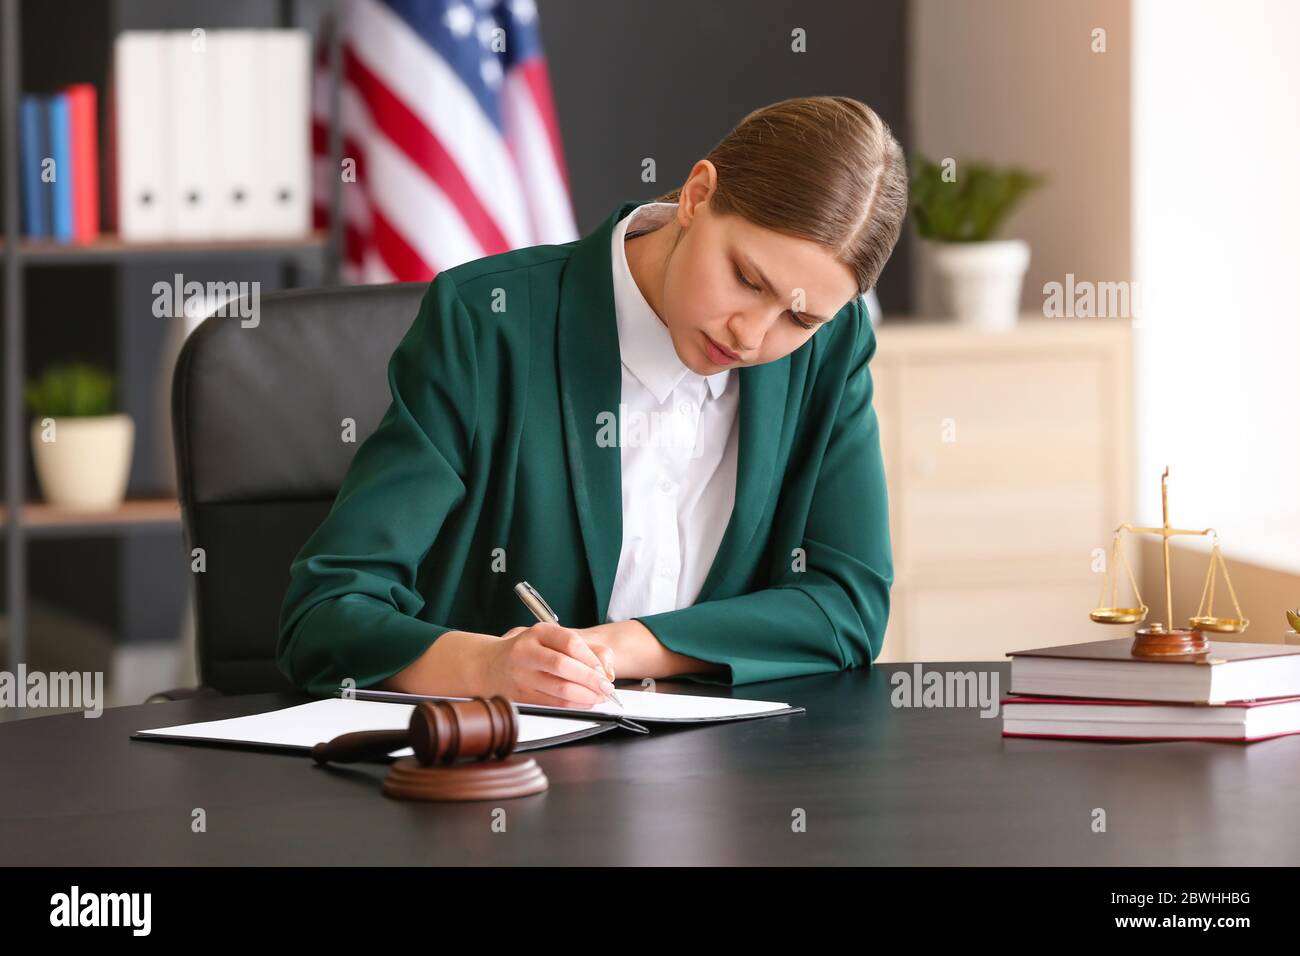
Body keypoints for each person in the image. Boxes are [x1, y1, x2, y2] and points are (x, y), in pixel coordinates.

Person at [276, 95, 908, 707]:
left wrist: (622, 649)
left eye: (799, 321)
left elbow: (848, 604)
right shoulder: (486, 323)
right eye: (746, 279)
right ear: (697, 196)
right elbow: (326, 614)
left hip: (729, 782)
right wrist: (491, 665)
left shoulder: (832, 348)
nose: (751, 335)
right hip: (502, 783)